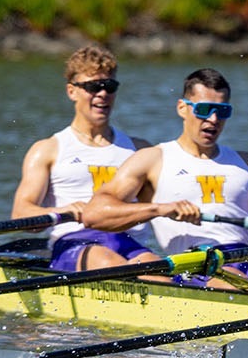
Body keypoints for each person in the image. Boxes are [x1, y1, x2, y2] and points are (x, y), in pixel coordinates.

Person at [81, 67, 248, 284]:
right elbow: (94, 214)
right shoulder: (152, 159)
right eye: (205, 109)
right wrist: (160, 209)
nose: (213, 119)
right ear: (182, 108)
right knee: (232, 280)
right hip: (194, 261)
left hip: (246, 257)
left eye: (222, 111)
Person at [10, 46, 159, 271]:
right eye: (93, 87)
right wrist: (66, 211)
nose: (102, 94)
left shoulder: (141, 150)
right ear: (72, 91)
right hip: (74, 243)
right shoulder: (48, 149)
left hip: (129, 242)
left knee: (157, 269)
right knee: (108, 263)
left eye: (109, 86)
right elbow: (21, 215)